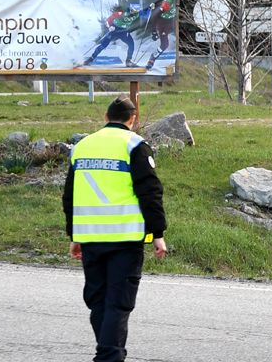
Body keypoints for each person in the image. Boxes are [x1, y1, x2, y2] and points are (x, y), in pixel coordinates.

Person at [63, 96, 168, 362]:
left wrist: (74, 236)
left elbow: (70, 196)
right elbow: (150, 192)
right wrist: (158, 234)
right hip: (125, 238)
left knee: (98, 300)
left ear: (106, 117)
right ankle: (109, 356)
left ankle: (109, 353)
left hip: (90, 238)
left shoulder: (82, 146)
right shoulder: (135, 145)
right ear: (133, 120)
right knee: (118, 302)